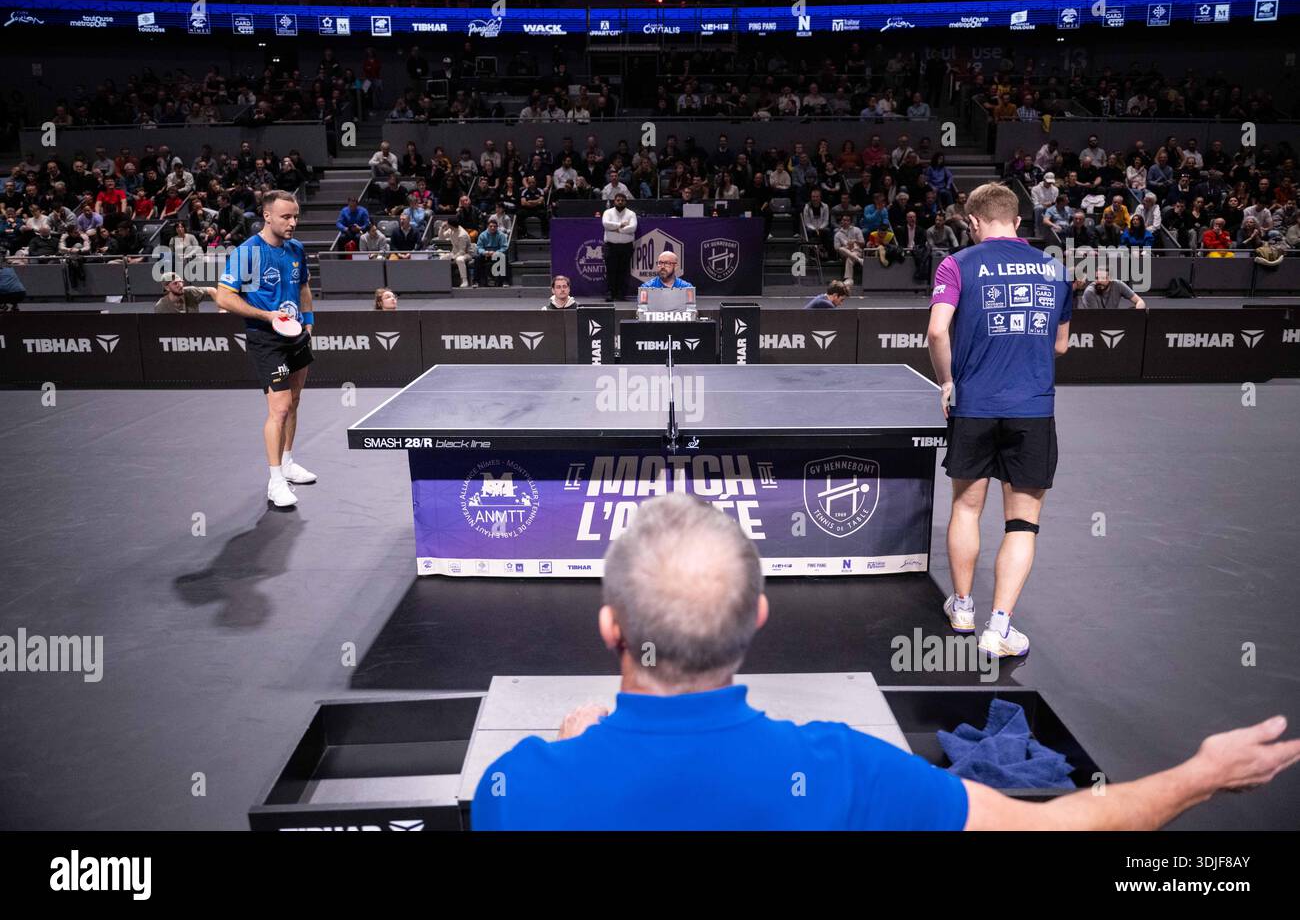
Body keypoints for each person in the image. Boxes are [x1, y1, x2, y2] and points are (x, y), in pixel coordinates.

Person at [472, 493, 1300, 830]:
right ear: (757, 616)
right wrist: (1201, 773)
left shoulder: (518, 787)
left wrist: (579, 745)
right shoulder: (844, 769)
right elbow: (1060, 825)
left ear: (611, 625)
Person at [926, 182, 1072, 658]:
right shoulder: (1055, 270)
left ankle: (963, 608)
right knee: (1022, 525)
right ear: (1017, 219)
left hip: (974, 407)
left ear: (972, 222)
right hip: (1032, 409)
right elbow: (1061, 345)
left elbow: (936, 330)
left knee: (966, 508)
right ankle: (1000, 627)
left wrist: (948, 380)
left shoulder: (957, 264)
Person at [214, 190, 317, 509]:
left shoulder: (297, 248)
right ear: (267, 216)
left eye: (296, 216)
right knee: (280, 407)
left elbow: (303, 287)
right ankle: (275, 481)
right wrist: (266, 316)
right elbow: (224, 297)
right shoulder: (247, 253)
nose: (293, 223)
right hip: (265, 337)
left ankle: (288, 463)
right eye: (286, 217)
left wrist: (309, 321)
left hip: (297, 334)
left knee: (295, 399)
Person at [601, 193, 636, 301]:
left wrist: (616, 228)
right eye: (618, 200)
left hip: (626, 247)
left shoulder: (631, 214)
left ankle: (621, 293)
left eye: (622, 200)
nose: (620, 202)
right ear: (614, 201)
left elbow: (633, 228)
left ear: (625, 202)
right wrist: (621, 224)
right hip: (611, 246)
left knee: (623, 271)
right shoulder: (608, 212)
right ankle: (610, 293)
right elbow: (606, 224)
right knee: (611, 271)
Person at [1079, 267, 1147, 310]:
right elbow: (1095, 317)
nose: (1099, 281)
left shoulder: (1118, 285)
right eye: (1097, 278)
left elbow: (1140, 301)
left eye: (1103, 278)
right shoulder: (1090, 292)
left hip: (1113, 319)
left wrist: (1138, 315)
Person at [475, 217, 509, 287]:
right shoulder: (482, 235)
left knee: (504, 258)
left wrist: (496, 253)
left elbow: (504, 247)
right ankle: (476, 281)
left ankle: (504, 281)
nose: (493, 228)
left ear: (497, 227)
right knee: (477, 258)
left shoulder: (501, 235)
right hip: (486, 255)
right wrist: (485, 252)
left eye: (494, 226)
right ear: (488, 227)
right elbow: (479, 247)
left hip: (497, 254)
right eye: (491, 226)